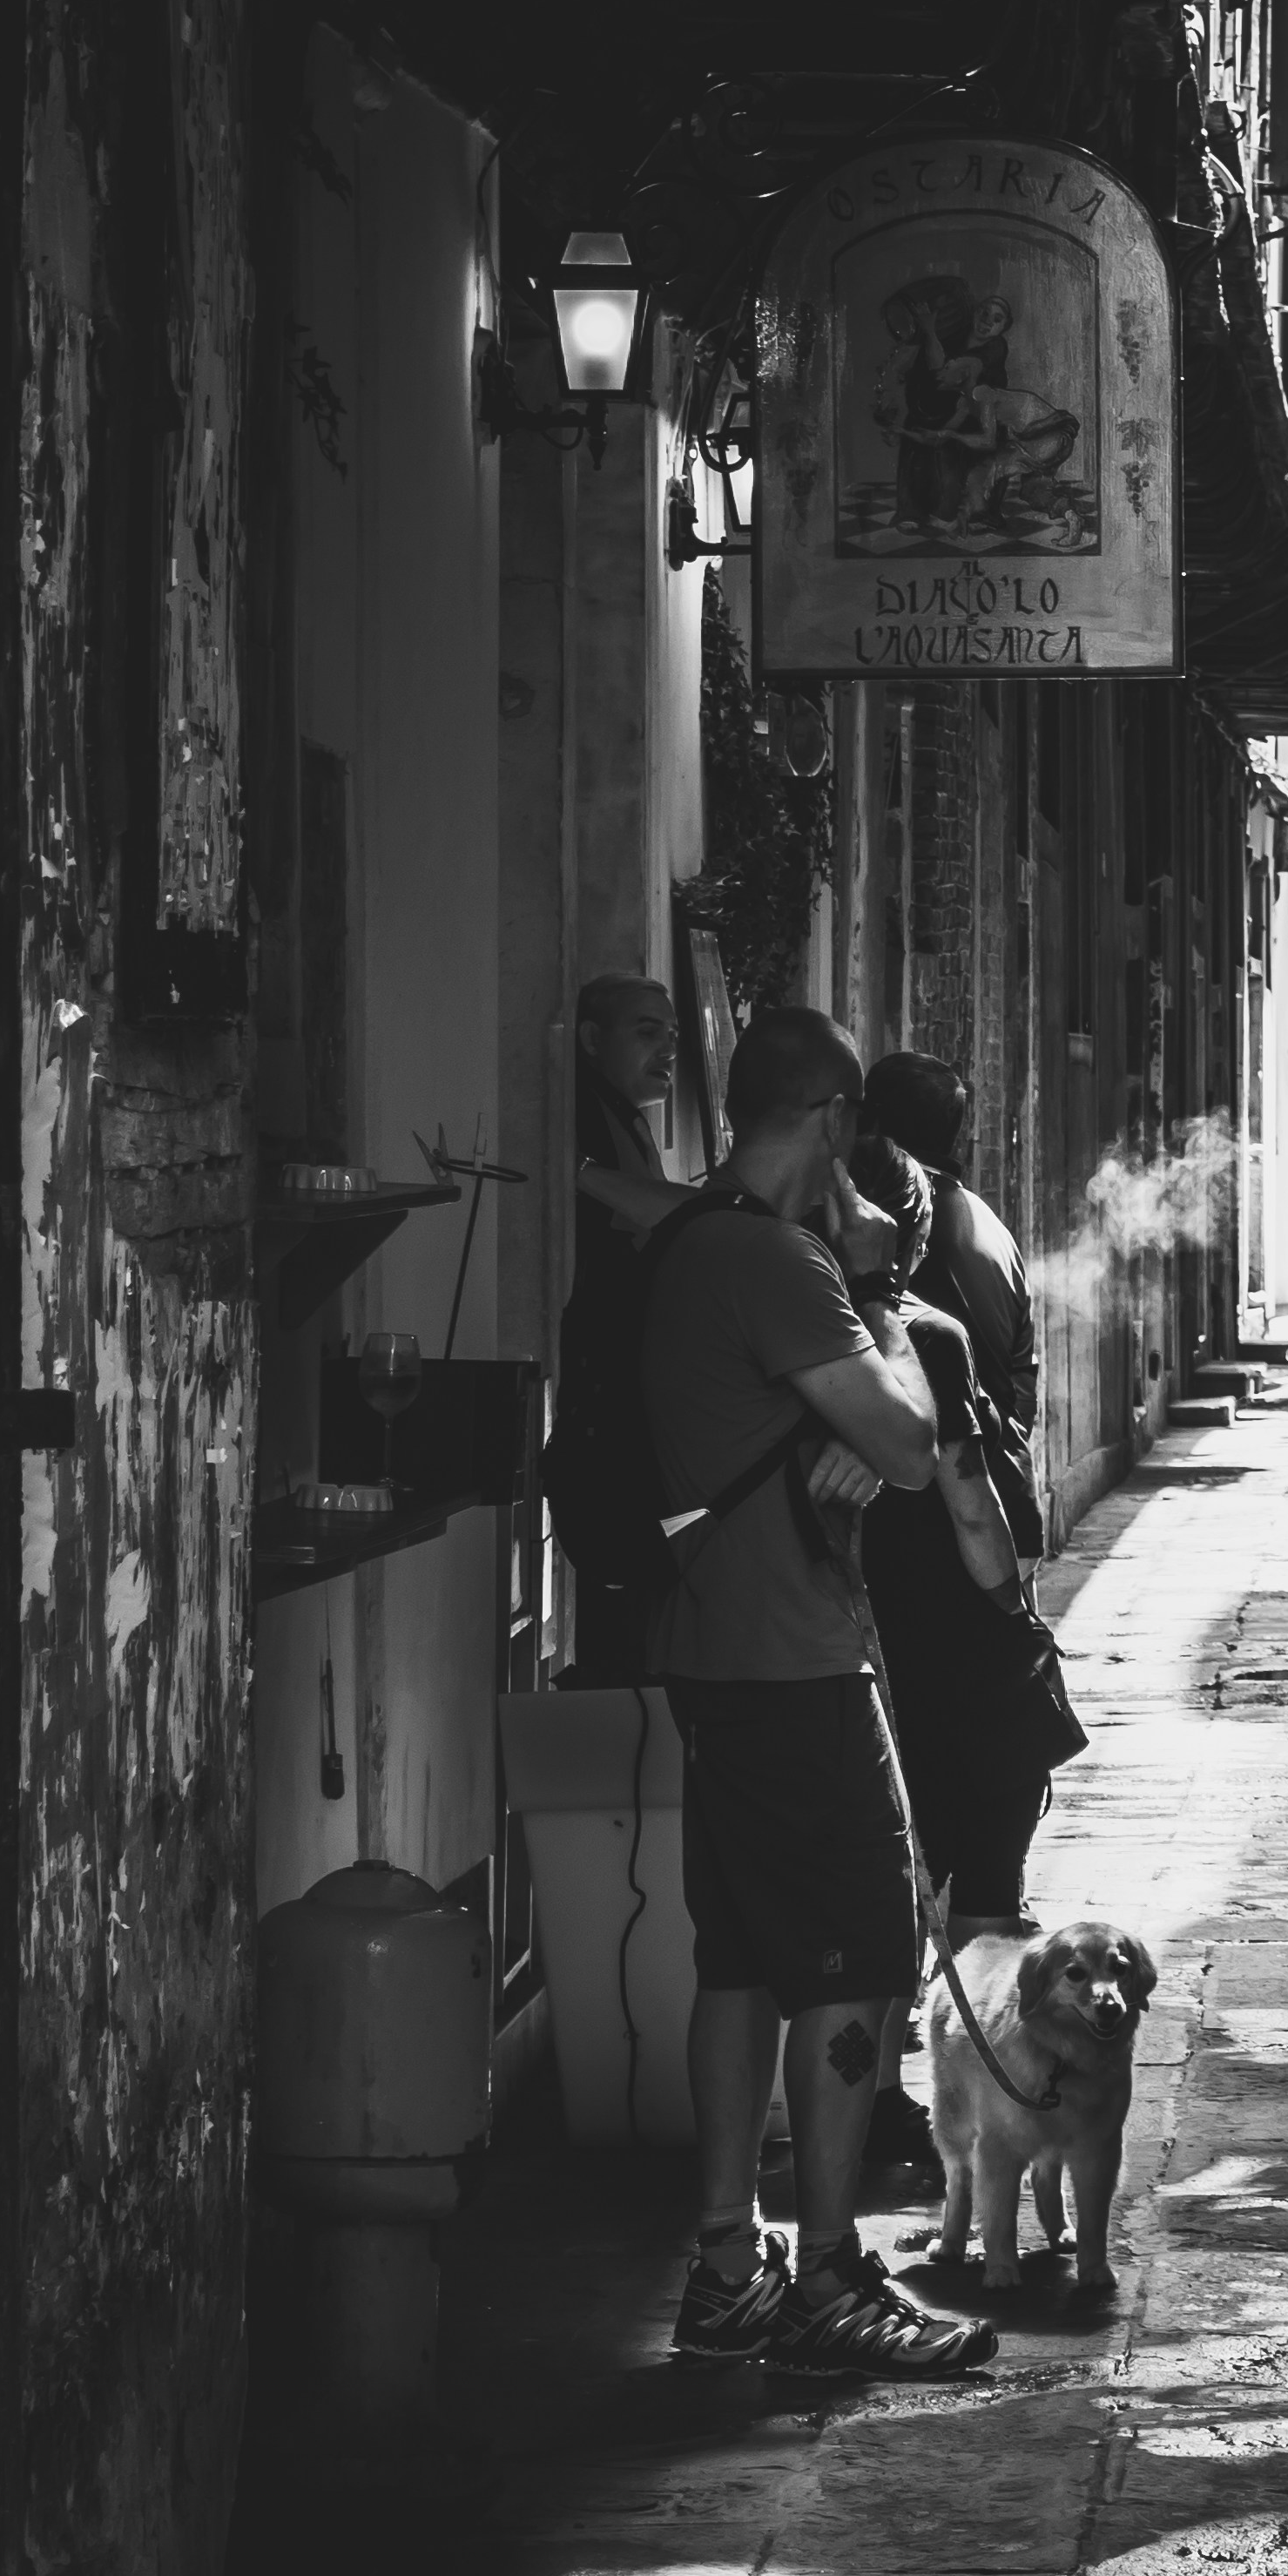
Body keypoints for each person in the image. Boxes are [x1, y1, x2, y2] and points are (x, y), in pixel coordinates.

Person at [643, 1006, 993, 2377]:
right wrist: (886, 1295)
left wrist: (833, 1435)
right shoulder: (784, 1261)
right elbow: (907, 1442)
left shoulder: (691, 1240)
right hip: (795, 1662)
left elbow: (816, 1433)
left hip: (715, 1653)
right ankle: (832, 2277)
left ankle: (729, 2265)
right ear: (836, 1120)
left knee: (738, 1963)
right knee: (857, 1957)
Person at [845, 1133, 1062, 1937]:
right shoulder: (926, 1338)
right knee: (989, 1821)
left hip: (848, 1632)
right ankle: (984, 1950)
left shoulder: (786, 1327)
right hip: (938, 1631)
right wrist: (1013, 1608)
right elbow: (971, 1505)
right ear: (912, 1237)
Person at [545, 974, 693, 1685]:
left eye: (673, 1034)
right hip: (599, 1404)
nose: (668, 1049)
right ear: (590, 1039)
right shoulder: (579, 1115)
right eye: (646, 1031)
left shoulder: (625, 1119)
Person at [866, 1048, 1041, 1538]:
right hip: (1005, 1498)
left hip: (944, 1525)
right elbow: (1023, 1381)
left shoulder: (888, 1226)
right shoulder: (993, 1228)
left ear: (869, 1121)